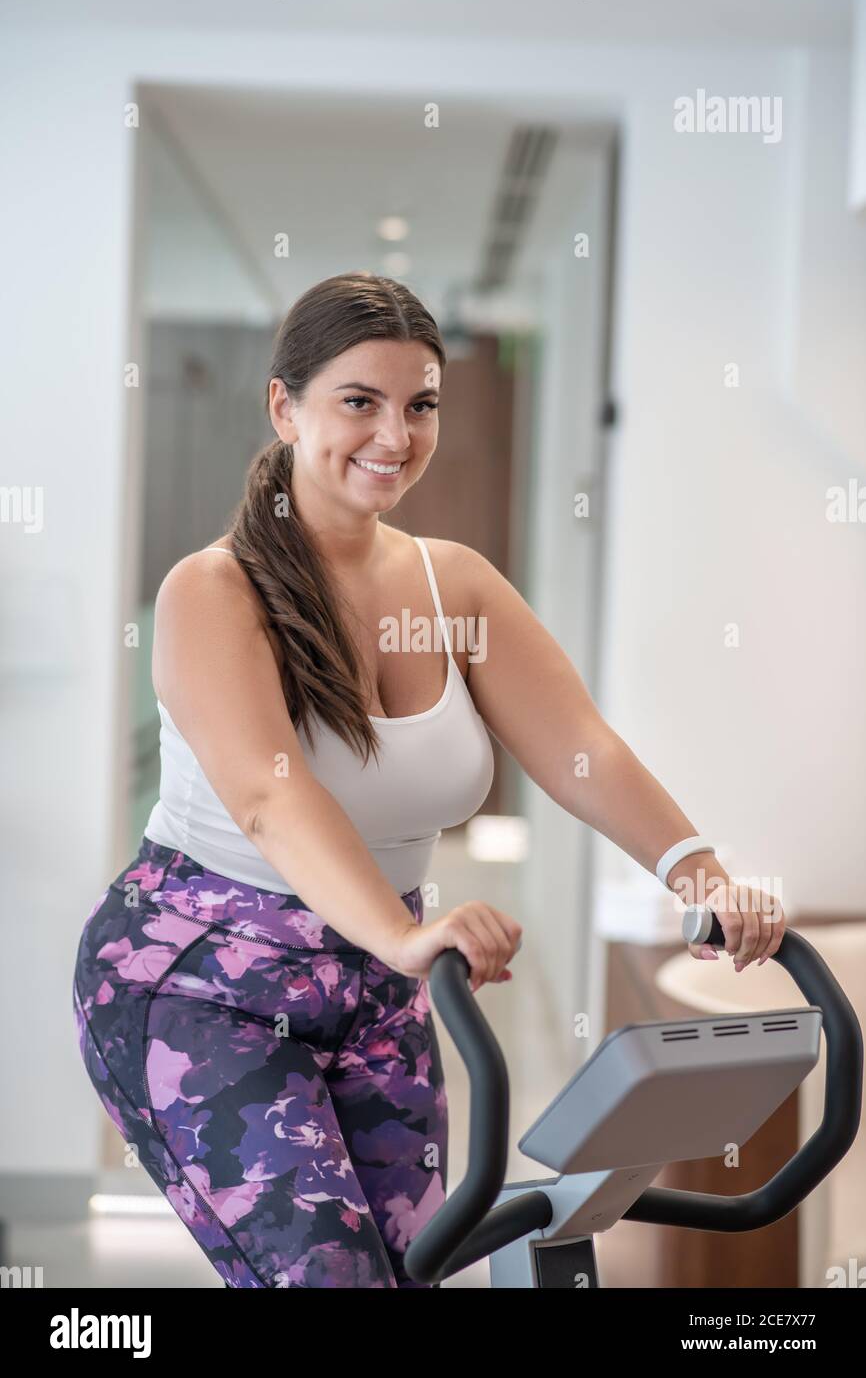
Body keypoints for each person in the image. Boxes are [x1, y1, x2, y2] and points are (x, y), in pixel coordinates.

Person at [72, 271, 786, 1290]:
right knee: (329, 1277)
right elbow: (270, 798)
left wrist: (699, 873)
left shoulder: (454, 584)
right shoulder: (211, 590)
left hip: (383, 984)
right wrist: (405, 933)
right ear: (285, 406)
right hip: (198, 979)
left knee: (413, 1273)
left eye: (420, 405)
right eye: (358, 401)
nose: (393, 435)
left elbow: (580, 747)